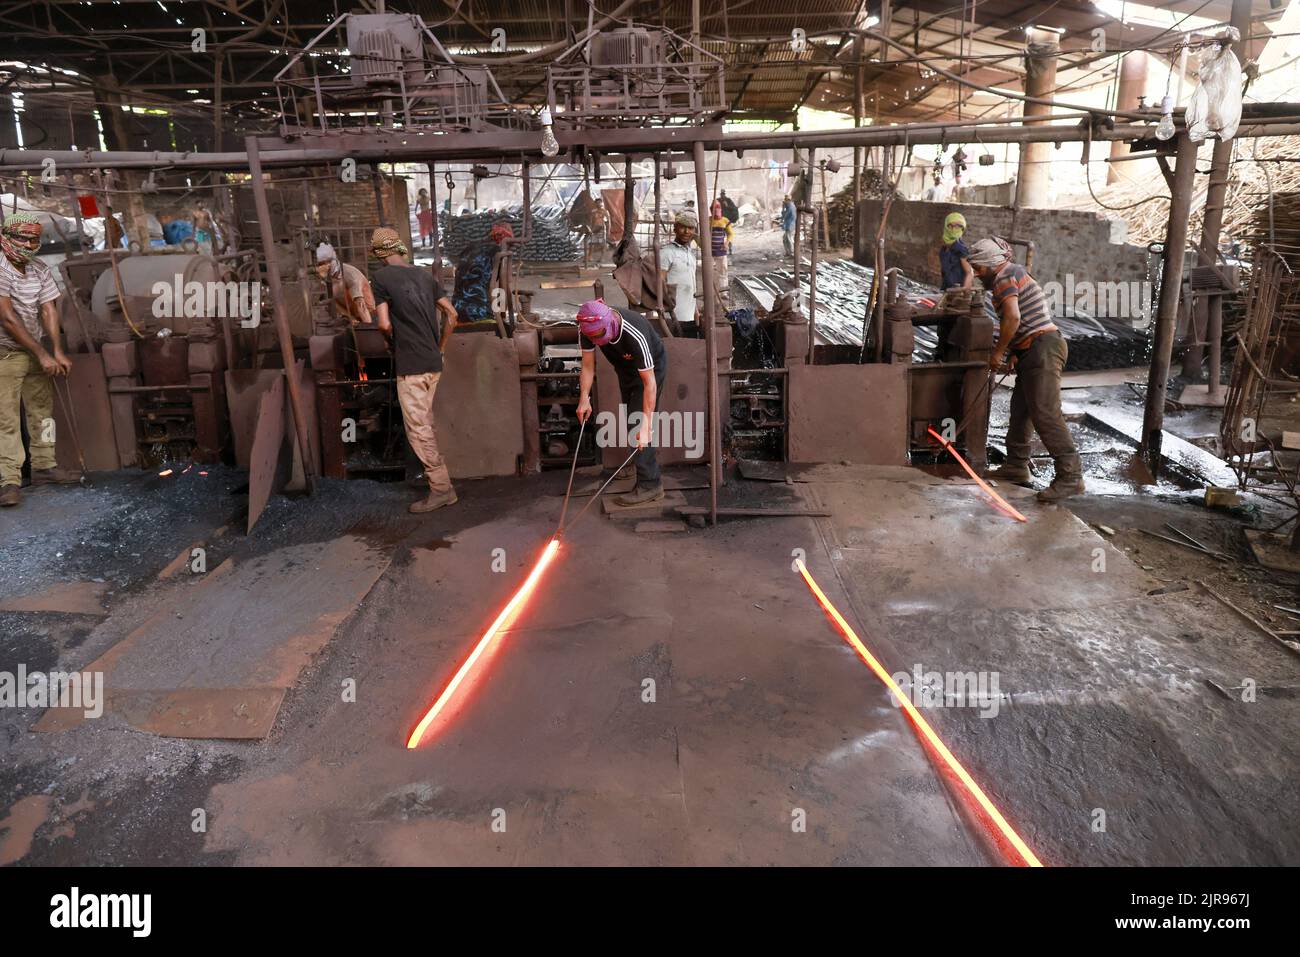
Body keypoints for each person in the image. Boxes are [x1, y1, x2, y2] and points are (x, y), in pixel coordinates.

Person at [969, 236, 1084, 503]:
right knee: (1021, 411)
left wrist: (999, 353)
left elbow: (1013, 317)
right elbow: (1022, 320)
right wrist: (1016, 353)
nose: (977, 273)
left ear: (990, 264)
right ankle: (1016, 465)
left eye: (979, 268)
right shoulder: (1011, 273)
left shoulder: (1003, 277)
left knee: (1045, 413)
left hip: (1043, 347)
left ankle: (1071, 477)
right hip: (1032, 348)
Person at [368, 226, 459, 514]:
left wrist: (390, 342)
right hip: (433, 362)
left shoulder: (380, 278)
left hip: (411, 365)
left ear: (379, 255)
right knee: (426, 424)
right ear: (400, 248)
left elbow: (383, 323)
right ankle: (443, 487)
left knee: (418, 430)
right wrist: (441, 347)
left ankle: (441, 490)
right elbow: (452, 314)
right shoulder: (424, 275)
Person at [0, 212, 77, 507]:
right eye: (23, 238)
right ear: (6, 238)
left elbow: (49, 310)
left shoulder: (40, 269)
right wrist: (43, 353)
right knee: (5, 418)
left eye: (34, 239)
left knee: (42, 410)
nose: (30, 245)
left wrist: (56, 350)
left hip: (35, 351)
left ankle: (45, 466)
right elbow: (7, 318)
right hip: (5, 353)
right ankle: (9, 480)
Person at [575, 299, 668, 506]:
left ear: (609, 324)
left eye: (599, 336)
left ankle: (650, 485)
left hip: (650, 369)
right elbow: (588, 367)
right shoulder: (587, 328)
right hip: (625, 368)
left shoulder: (634, 332)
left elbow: (649, 384)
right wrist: (584, 399)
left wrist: (646, 425)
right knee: (631, 417)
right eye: (592, 337)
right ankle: (638, 463)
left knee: (638, 423)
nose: (596, 341)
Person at [657, 211, 699, 336]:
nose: (687, 231)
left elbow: (691, 286)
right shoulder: (667, 252)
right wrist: (666, 310)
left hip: (689, 315)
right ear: (675, 228)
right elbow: (659, 283)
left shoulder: (690, 255)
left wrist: (695, 311)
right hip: (673, 317)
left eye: (690, 228)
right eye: (683, 227)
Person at [315, 242, 376, 327]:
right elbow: (331, 299)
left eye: (326, 262)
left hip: (369, 314)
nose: (324, 266)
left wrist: (369, 330)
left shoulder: (349, 274)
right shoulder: (327, 278)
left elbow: (361, 306)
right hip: (352, 317)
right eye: (320, 264)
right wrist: (350, 318)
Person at [938, 212, 973, 291]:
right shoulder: (943, 250)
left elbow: (969, 273)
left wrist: (964, 292)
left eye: (958, 226)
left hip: (958, 292)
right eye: (951, 226)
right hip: (946, 291)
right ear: (946, 227)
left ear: (962, 228)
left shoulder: (961, 249)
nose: (954, 229)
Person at [708, 200, 734, 307]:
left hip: (721, 251)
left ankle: (723, 292)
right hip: (709, 252)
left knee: (722, 272)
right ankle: (710, 292)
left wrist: (727, 242)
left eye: (719, 208)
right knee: (709, 273)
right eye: (715, 209)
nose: (717, 211)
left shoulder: (725, 221)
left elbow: (731, 234)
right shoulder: (708, 221)